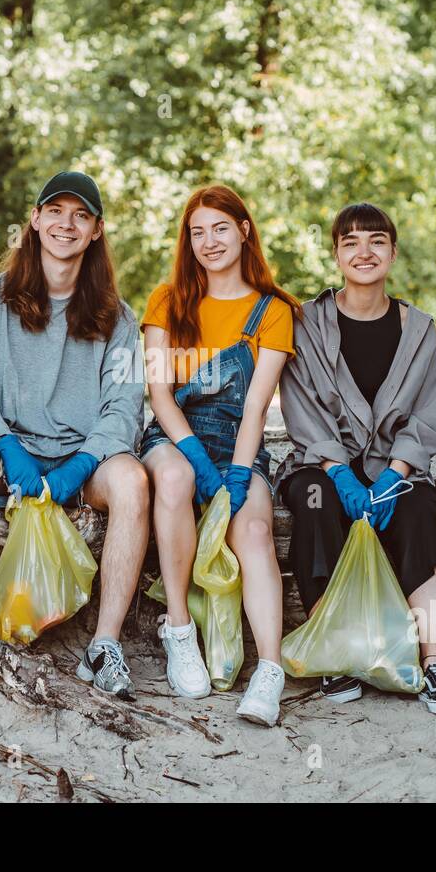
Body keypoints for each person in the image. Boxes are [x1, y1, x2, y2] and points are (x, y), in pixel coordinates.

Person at [0, 171, 148, 699]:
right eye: (55, 211)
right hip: (9, 453)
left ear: (96, 230)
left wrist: (84, 463)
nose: (65, 223)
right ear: (35, 219)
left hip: (83, 459)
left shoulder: (119, 319)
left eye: (81, 215)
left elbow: (123, 409)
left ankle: (105, 645)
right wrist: (4, 444)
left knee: (134, 482)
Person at [275, 203, 436, 714]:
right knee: (315, 503)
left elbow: (428, 416)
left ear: (393, 252)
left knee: (419, 511)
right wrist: (339, 472)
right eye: (351, 242)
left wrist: (395, 475)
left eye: (377, 240)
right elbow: (301, 410)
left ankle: (435, 666)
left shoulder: (419, 329)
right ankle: (336, 653)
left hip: (395, 465)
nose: (365, 252)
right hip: (323, 465)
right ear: (336, 253)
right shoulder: (306, 324)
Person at [139, 184, 300, 727]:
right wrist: (195, 458)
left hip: (240, 442)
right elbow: (159, 393)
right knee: (178, 481)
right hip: (173, 435)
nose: (209, 241)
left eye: (220, 228)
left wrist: (234, 473)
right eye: (197, 232)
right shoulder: (167, 300)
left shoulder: (273, 312)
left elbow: (257, 406)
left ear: (244, 230)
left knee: (253, 529)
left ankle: (270, 671)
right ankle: (179, 629)